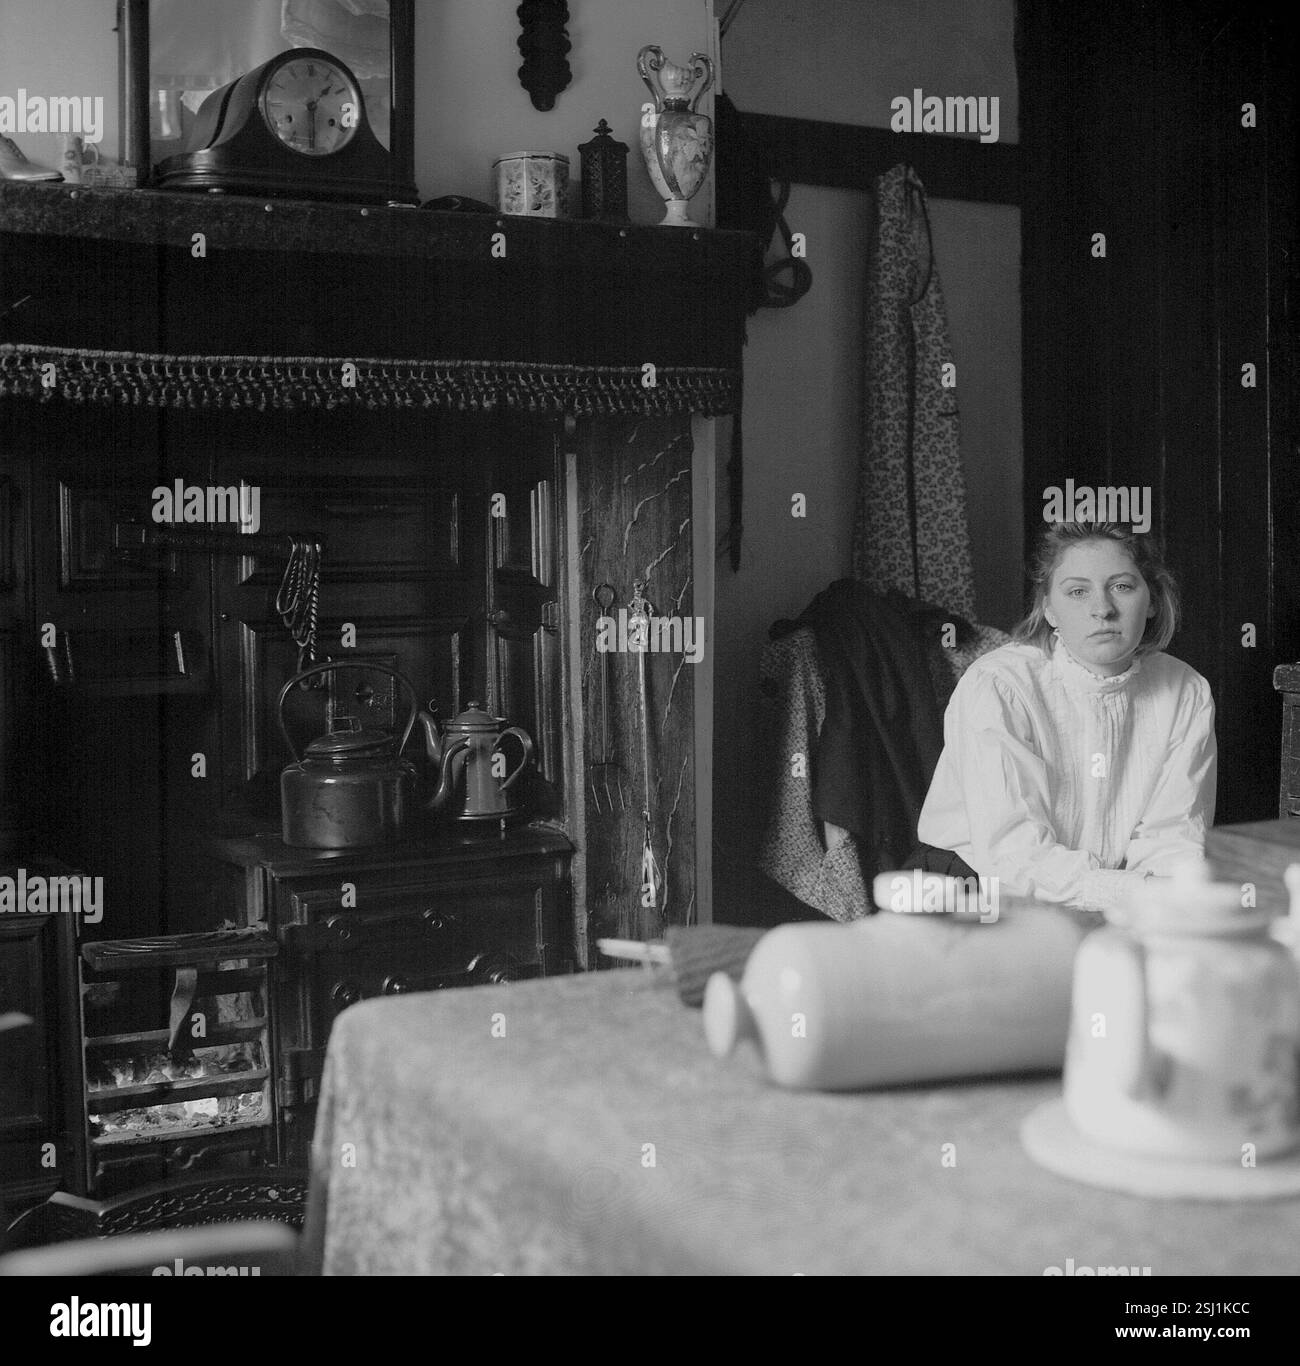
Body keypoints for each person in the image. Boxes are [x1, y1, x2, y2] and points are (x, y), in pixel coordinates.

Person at [912, 521, 1216, 912]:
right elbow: (1014, 856)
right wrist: (1131, 894)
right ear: (1049, 609)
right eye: (1077, 591)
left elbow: (1174, 839)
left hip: (1112, 895)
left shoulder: (1185, 690)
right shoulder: (998, 685)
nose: (1102, 609)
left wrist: (1161, 904)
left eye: (1122, 586)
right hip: (974, 889)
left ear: (1153, 599)